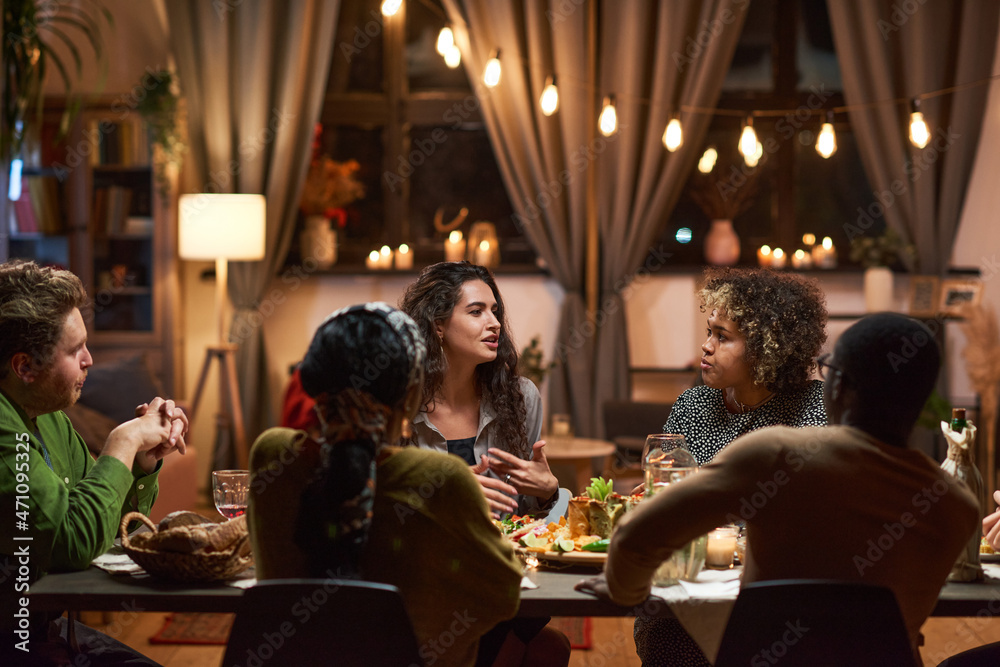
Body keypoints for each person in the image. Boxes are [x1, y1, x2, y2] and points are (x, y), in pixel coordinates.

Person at [577, 313, 980, 665]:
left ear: (837, 385)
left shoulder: (774, 453)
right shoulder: (957, 505)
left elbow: (636, 536)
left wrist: (624, 590)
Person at [248, 302, 569, 667]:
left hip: (292, 656)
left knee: (547, 645)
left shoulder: (270, 455)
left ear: (309, 377)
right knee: (541, 640)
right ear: (412, 393)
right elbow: (504, 592)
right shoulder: (441, 477)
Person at [0, 259, 188, 665]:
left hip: (46, 629)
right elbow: (73, 543)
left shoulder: (49, 416)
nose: (89, 360)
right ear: (24, 366)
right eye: (74, 350)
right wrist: (123, 440)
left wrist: (140, 462)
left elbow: (112, 526)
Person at [399, 261, 559, 518]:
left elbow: (527, 518)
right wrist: (448, 494)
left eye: (494, 312)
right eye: (476, 312)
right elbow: (378, 508)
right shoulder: (398, 403)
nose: (495, 323)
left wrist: (547, 492)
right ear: (438, 325)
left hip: (502, 544)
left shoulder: (520, 397)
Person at [666, 266, 829, 467]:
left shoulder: (814, 406)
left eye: (722, 336)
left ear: (762, 349)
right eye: (709, 332)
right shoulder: (691, 406)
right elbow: (663, 477)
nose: (706, 346)